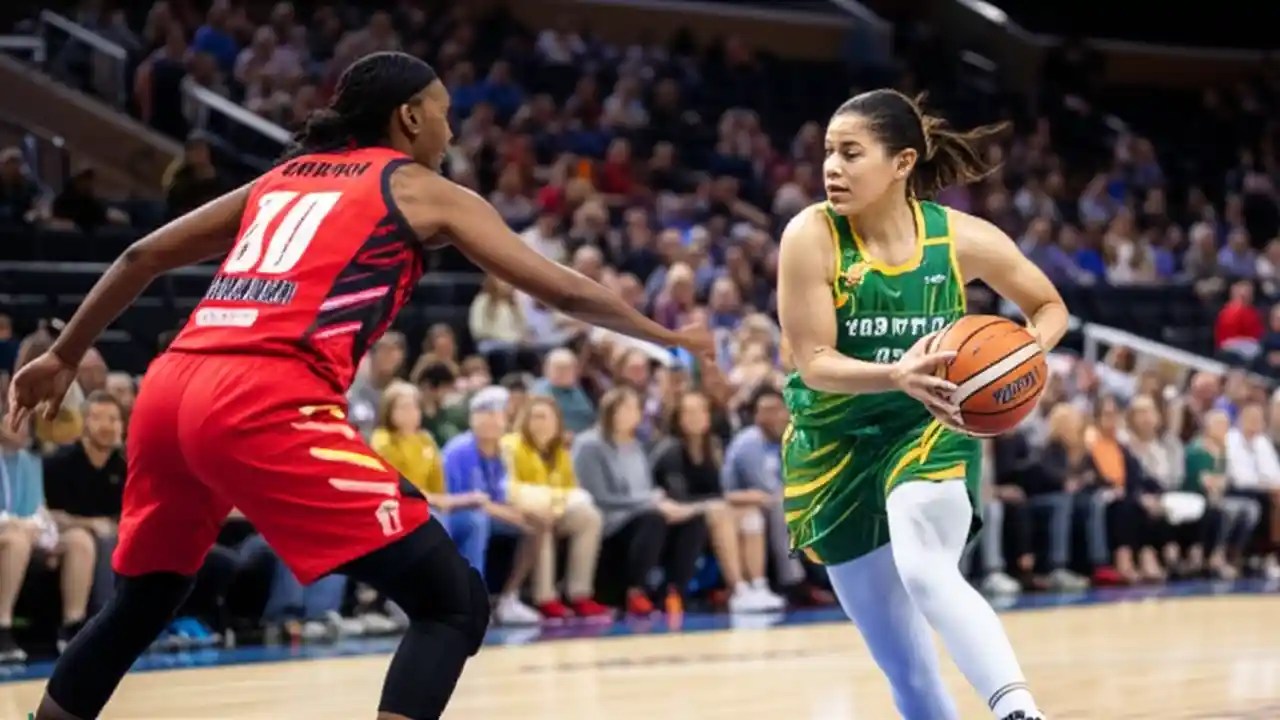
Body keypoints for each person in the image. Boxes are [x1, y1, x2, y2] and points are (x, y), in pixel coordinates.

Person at [5, 51, 713, 720]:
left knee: (145, 599)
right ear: (409, 117)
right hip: (261, 396)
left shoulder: (285, 177)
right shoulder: (419, 187)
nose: (451, 128)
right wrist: (667, 336)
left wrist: (65, 355)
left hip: (169, 390)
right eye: (442, 112)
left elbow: (141, 254)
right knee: (451, 601)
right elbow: (560, 288)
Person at [776, 89, 1068, 720]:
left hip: (930, 423)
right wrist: (895, 372)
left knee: (926, 566)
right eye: (828, 151)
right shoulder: (810, 236)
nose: (831, 167)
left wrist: (1024, 357)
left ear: (902, 162)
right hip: (834, 443)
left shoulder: (958, 238)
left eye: (851, 153)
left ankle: (1020, 712)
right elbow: (813, 362)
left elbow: (1048, 308)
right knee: (906, 671)